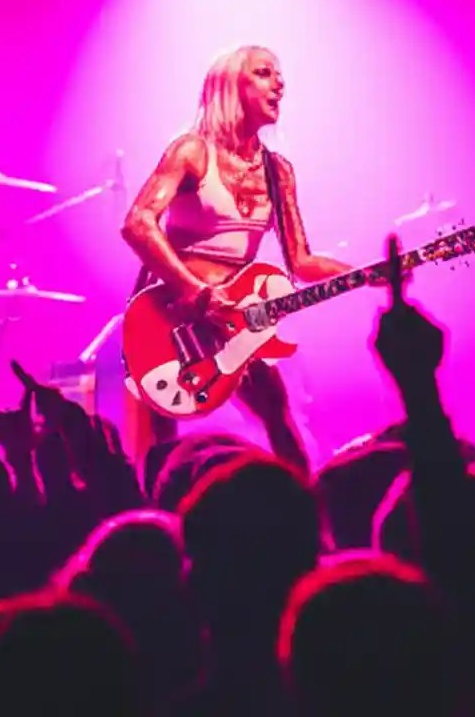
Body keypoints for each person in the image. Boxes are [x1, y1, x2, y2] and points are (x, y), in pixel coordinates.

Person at [120, 45, 354, 456]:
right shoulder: (191, 151)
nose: (279, 83)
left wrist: (367, 273)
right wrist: (196, 291)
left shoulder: (278, 171)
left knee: (278, 415)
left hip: (237, 318)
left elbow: (301, 262)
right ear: (231, 86)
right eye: (264, 73)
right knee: (160, 441)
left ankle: (300, 496)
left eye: (279, 74)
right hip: (174, 316)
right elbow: (138, 223)